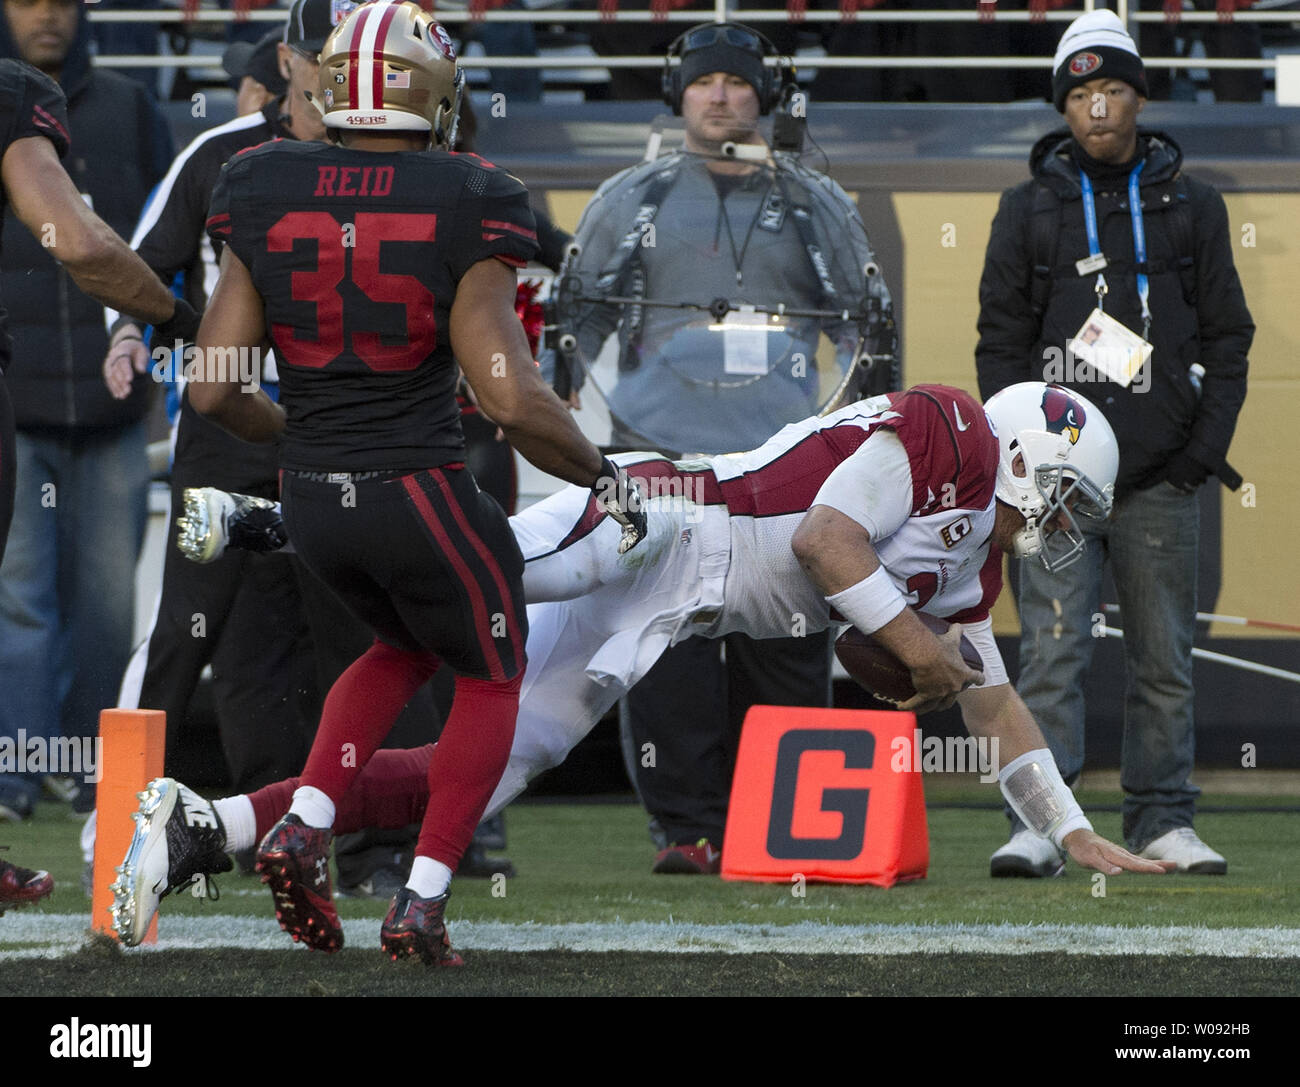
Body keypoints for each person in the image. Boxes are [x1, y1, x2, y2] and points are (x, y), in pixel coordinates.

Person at [110, 381, 1177, 953]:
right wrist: (914, 656)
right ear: (1035, 455)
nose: (1068, 524)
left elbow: (987, 699)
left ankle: (210, 823)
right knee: (483, 568)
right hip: (665, 520)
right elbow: (825, 544)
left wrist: (1065, 826)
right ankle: (273, 520)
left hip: (677, 614)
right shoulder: (948, 430)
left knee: (479, 769)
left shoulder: (972, 556)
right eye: (1073, 496)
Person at [185, 0, 644, 967]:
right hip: (419, 486)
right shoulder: (470, 190)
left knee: (402, 642)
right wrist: (608, 476)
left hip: (312, 497)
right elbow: (512, 400)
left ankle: (307, 819)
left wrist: (307, 441)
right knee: (492, 668)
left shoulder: (259, 179)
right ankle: (423, 896)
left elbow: (213, 389)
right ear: (431, 93)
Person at [555, 20, 897, 874]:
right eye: (704, 82)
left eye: (738, 84)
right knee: (666, 651)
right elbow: (579, 314)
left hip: (787, 466)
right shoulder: (633, 197)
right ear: (679, 96)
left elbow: (867, 322)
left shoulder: (815, 204)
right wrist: (554, 393)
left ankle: (781, 819)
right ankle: (685, 832)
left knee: (783, 645)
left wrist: (861, 439)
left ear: (765, 97)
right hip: (659, 460)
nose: (719, 96)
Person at [975, 10, 1252, 878]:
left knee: (1163, 655)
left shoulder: (1193, 207)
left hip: (1163, 479)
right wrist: (1023, 464)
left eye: (1113, 90)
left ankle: (1163, 818)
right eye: (1082, 93)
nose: (1098, 109)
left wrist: (1198, 455)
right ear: (1063, 105)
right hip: (1055, 485)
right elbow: (999, 346)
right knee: (1052, 653)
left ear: (1140, 95)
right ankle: (1042, 823)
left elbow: (1229, 339)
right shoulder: (1027, 211)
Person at [104, 0, 351, 816]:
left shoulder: (397, 148)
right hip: (229, 415)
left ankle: (359, 830)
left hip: (347, 419)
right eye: (323, 54)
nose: (336, 70)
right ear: (288, 59)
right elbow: (142, 261)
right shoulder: (220, 151)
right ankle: (116, 803)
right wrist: (127, 335)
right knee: (187, 623)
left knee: (348, 633)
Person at [0, 46, 198, 825]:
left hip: (93, 408)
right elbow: (83, 243)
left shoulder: (122, 107)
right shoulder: (16, 96)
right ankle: (30, 776)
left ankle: (46, 779)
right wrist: (174, 321)